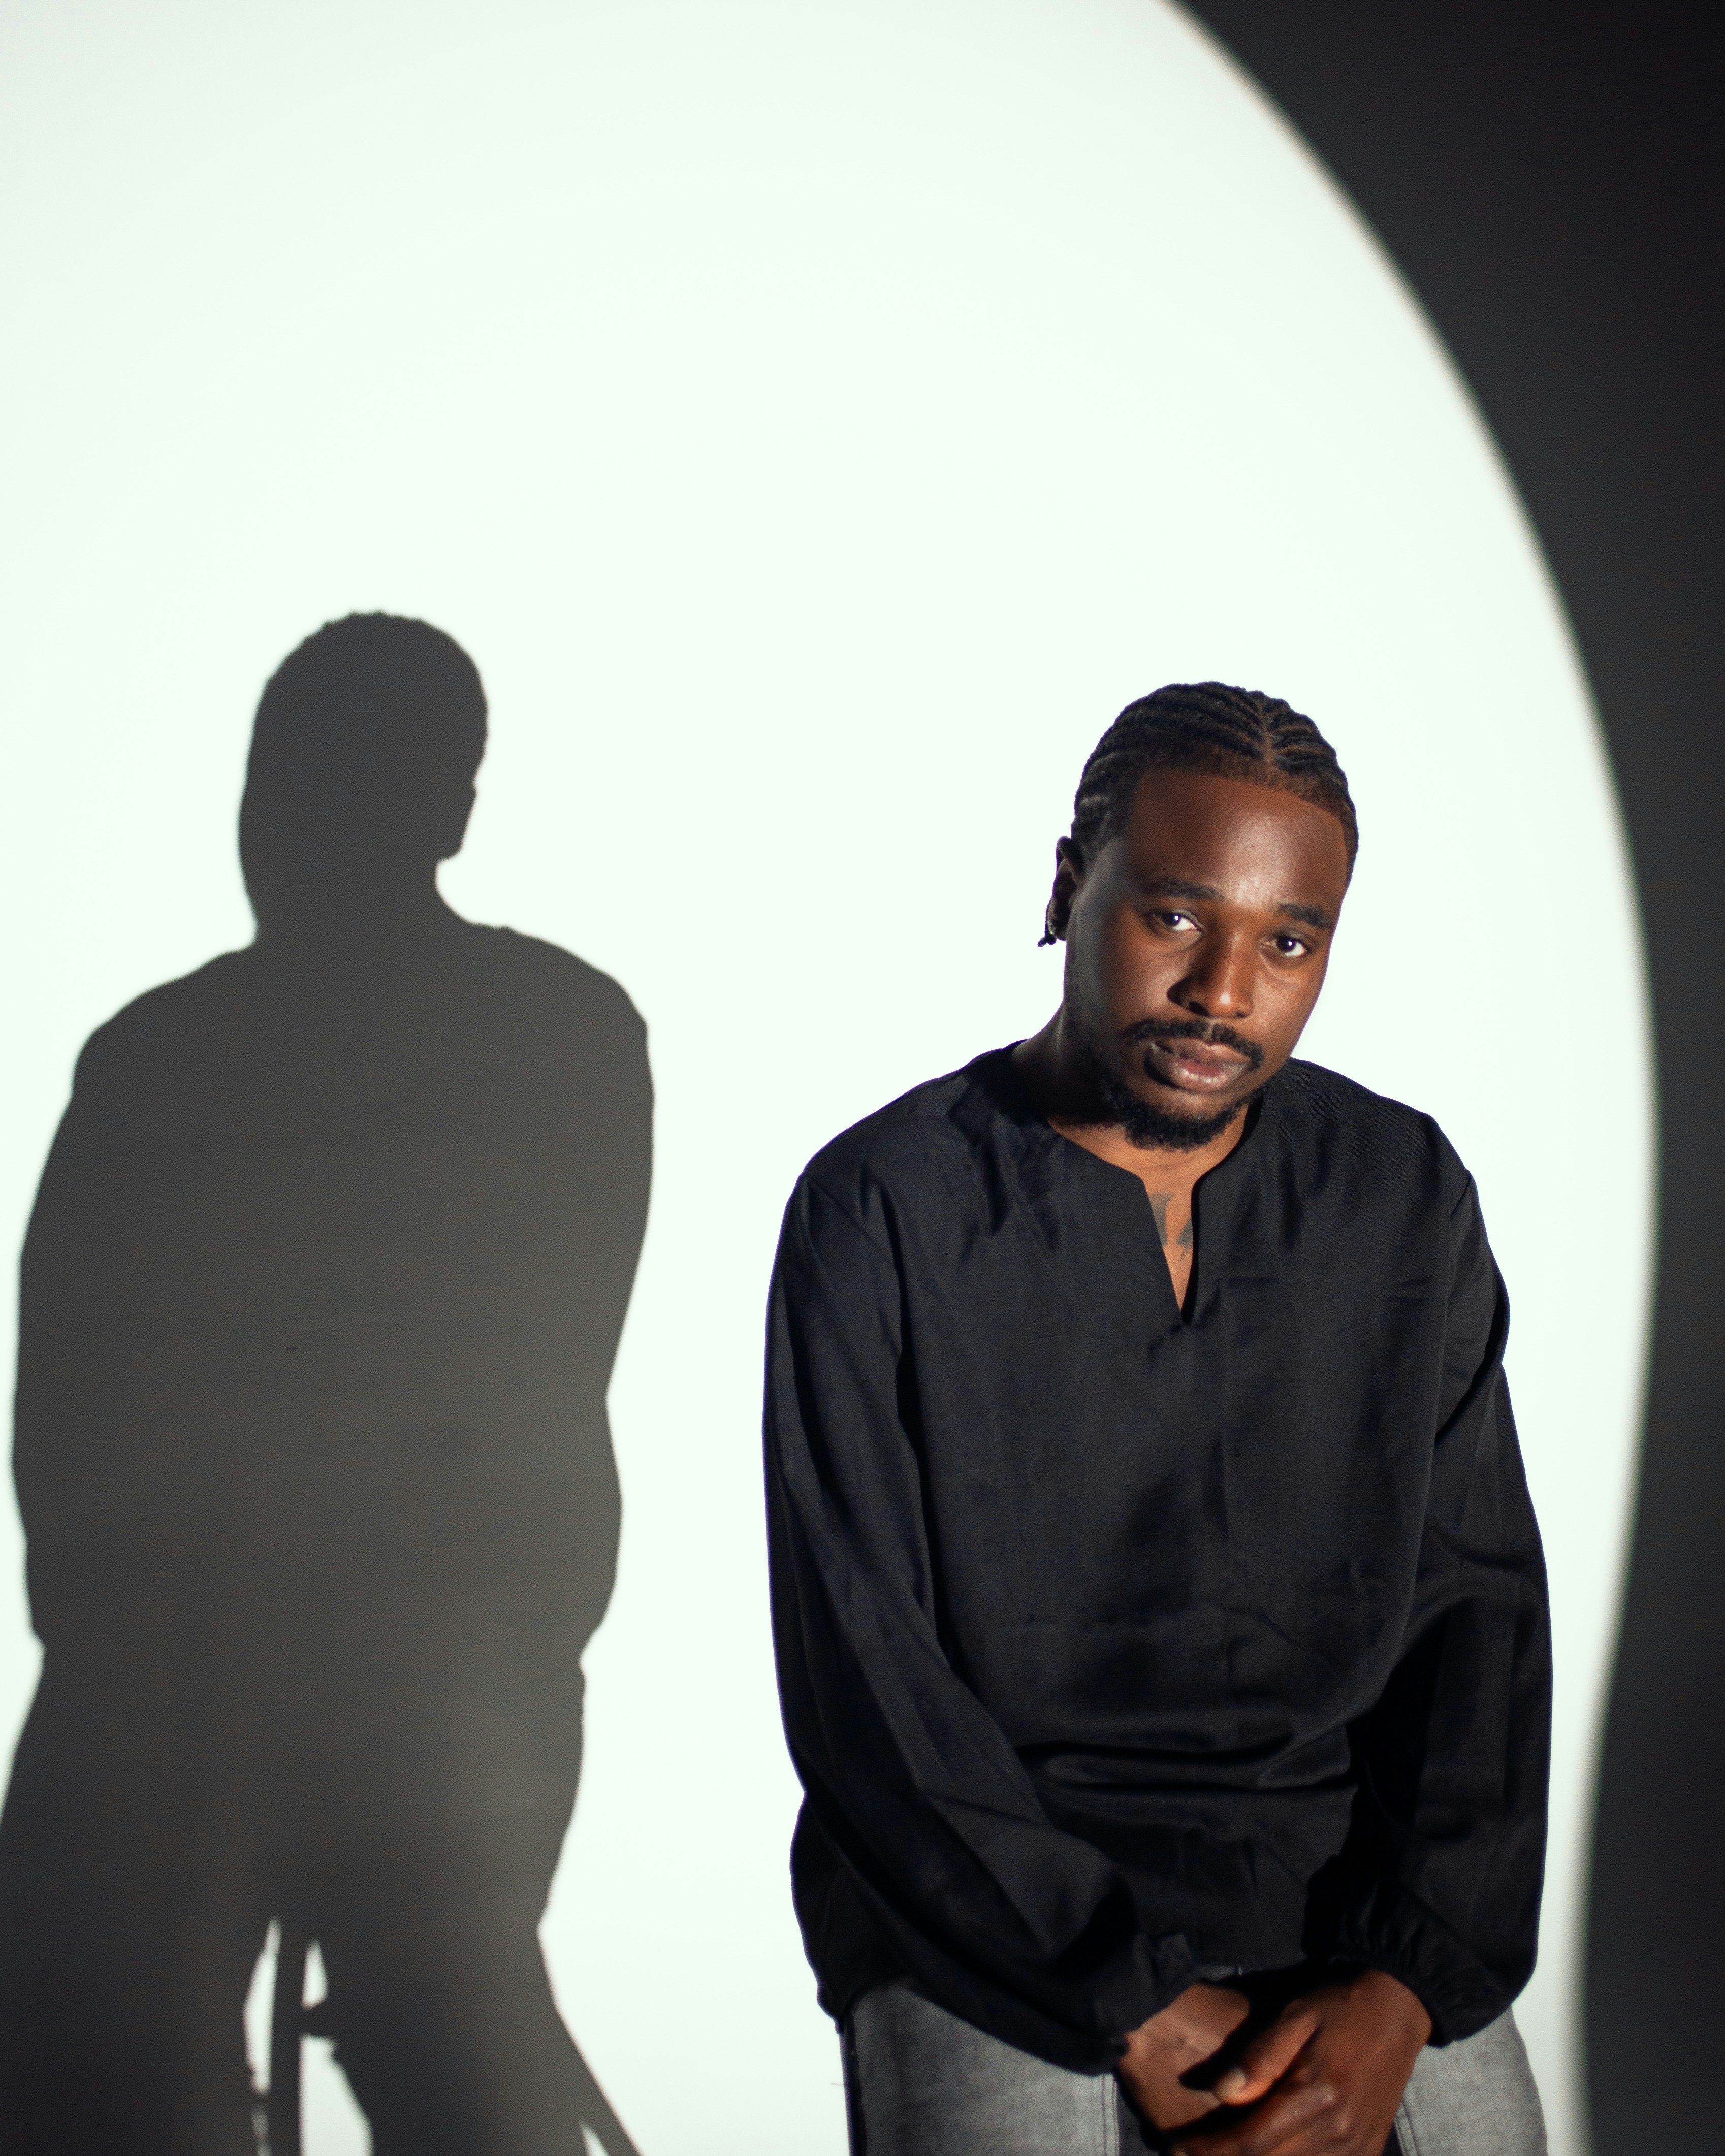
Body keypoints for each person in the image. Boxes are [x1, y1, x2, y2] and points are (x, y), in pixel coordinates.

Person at [764, 683, 1550, 2156]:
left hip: (1337, 1890)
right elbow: (867, 1682)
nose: (1221, 991)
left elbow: (1478, 1621)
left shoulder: (1399, 1194)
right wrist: (1127, 2000)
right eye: (1175, 917)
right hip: (987, 1901)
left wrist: (1402, 1979)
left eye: (1286, 942)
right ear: (1071, 887)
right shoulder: (886, 1207)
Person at [0, 617, 651, 2156]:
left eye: (304, 781)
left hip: (366, 1672)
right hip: (304, 1667)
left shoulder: (171, 1055)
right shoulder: (543, 1027)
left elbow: (67, 1395)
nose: (275, 821)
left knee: (412, 2049)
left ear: (444, 809)